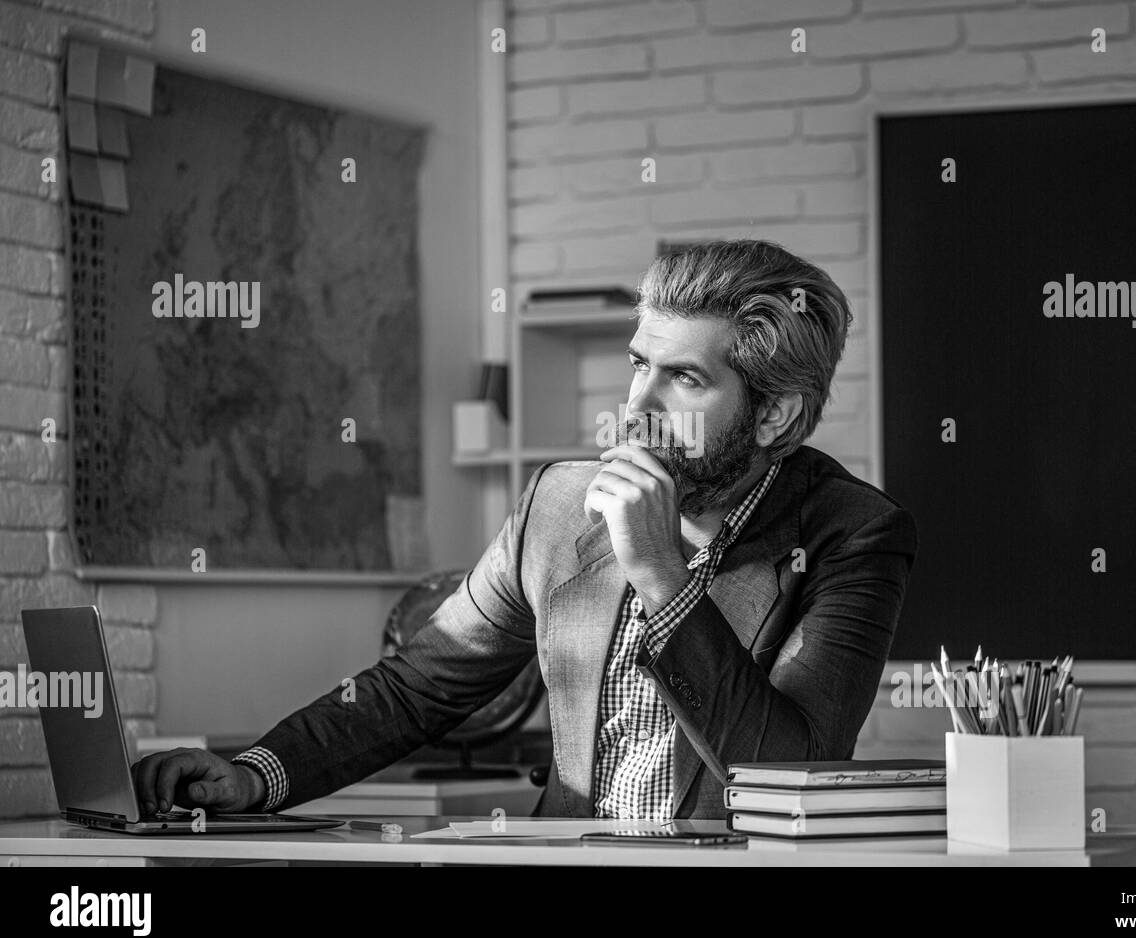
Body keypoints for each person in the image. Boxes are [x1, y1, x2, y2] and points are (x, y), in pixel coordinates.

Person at [132, 238, 919, 821]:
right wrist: (255, 775)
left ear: (774, 414)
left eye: (683, 378)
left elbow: (789, 771)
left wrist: (660, 576)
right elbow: (419, 685)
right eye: (638, 364)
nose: (637, 406)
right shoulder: (557, 504)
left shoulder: (855, 534)